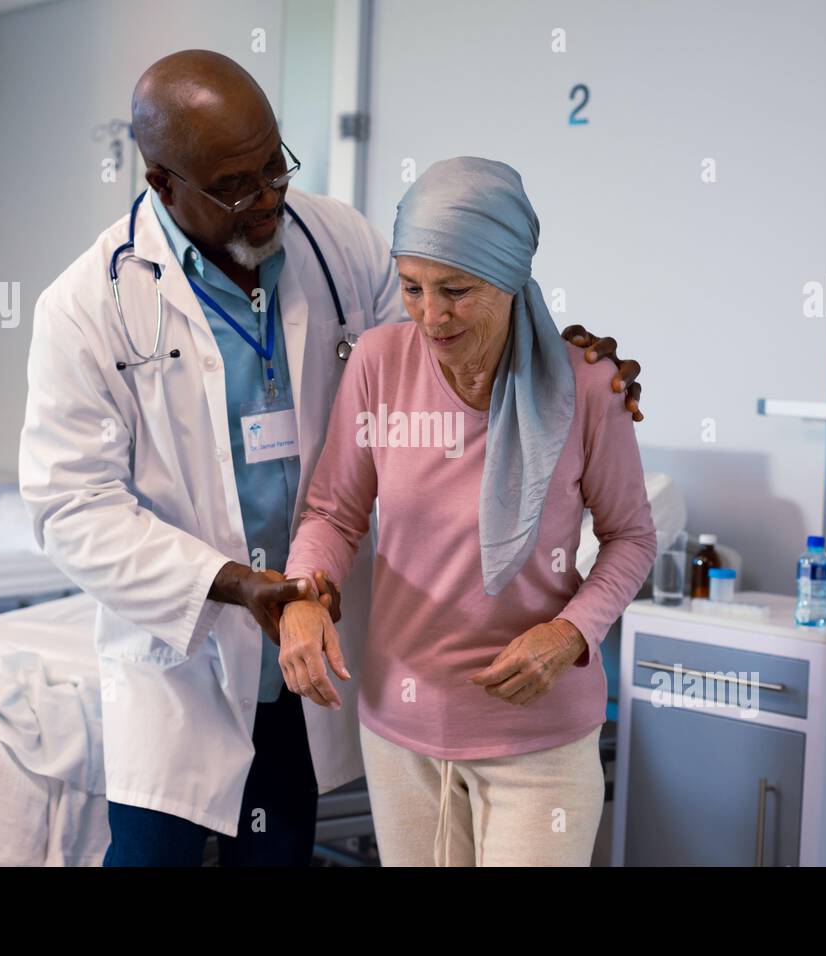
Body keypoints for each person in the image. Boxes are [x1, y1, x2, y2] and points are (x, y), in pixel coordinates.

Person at [20, 50, 645, 867]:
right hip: (197, 643)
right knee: (149, 854)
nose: (270, 198)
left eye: (274, 166)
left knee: (276, 850)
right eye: (237, 187)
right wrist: (251, 586)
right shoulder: (86, 305)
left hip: (318, 644)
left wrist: (561, 357)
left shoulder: (334, 239)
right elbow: (73, 507)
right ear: (163, 183)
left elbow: (453, 340)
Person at [280, 157, 657, 866]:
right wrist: (302, 597)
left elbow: (631, 538)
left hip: (538, 736)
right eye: (413, 288)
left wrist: (571, 633)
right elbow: (333, 512)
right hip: (401, 728)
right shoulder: (378, 363)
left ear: (511, 277)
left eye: (457, 290)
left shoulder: (589, 385)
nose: (430, 315)